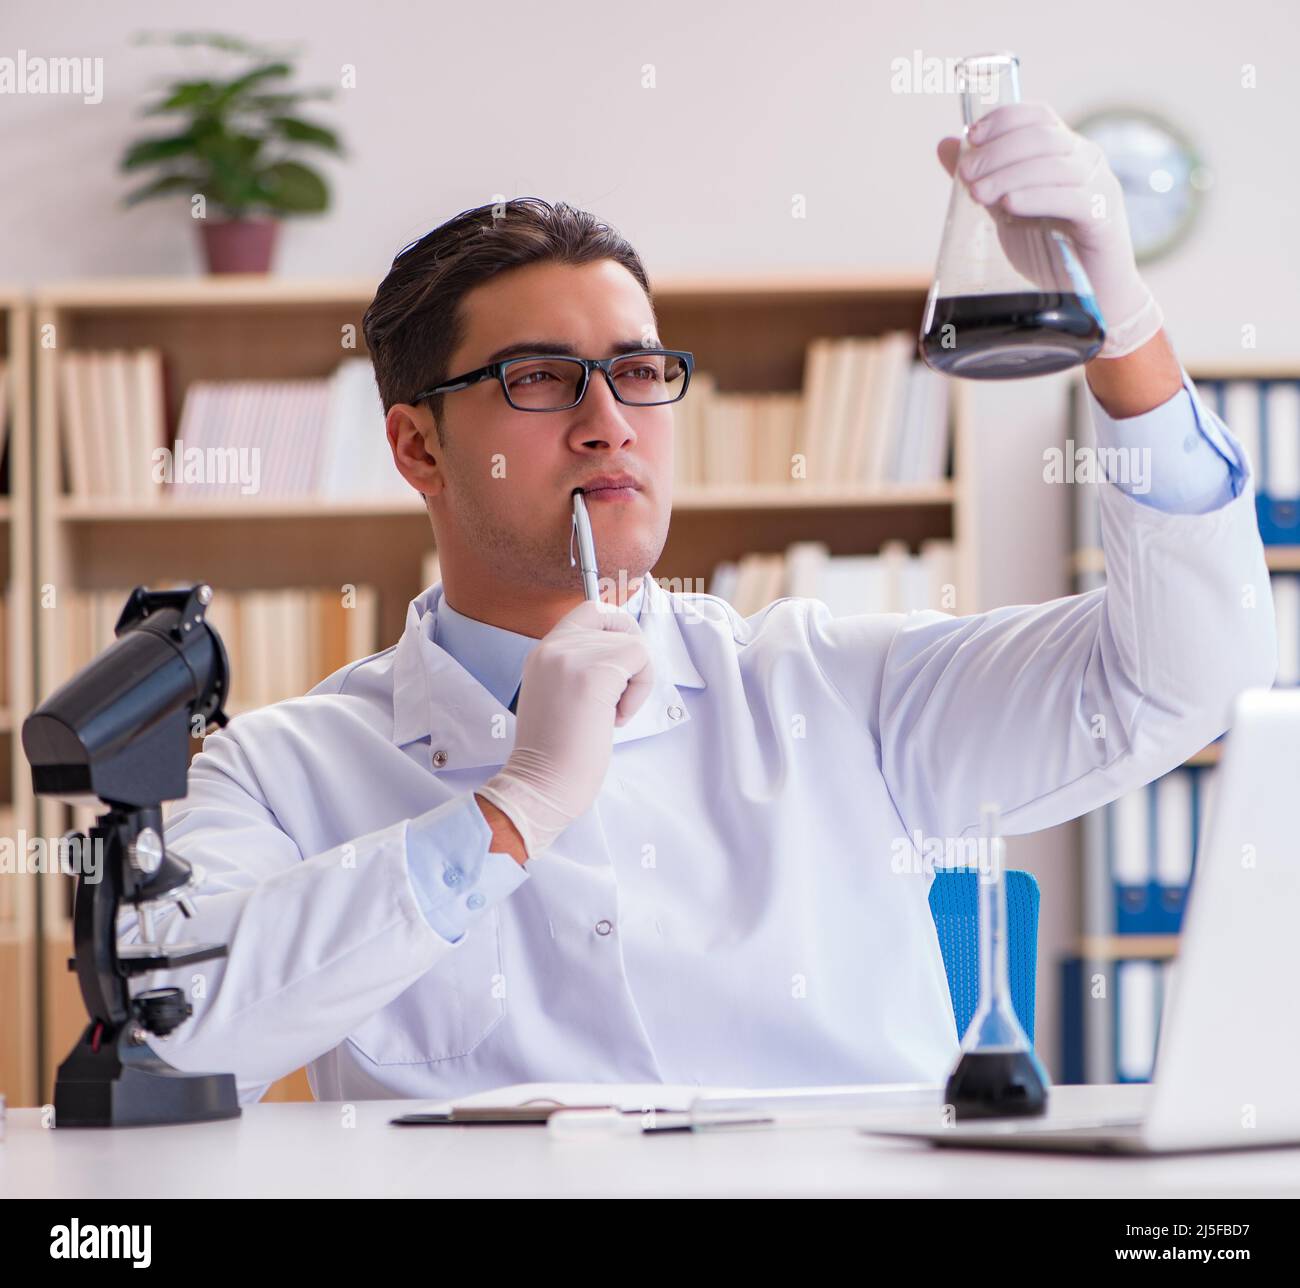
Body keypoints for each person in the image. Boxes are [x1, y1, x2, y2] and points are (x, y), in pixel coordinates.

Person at [133, 104, 1275, 1103]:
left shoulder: (842, 689)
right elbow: (167, 1037)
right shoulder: (281, 771)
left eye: (638, 371)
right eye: (537, 379)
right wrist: (511, 812)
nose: (608, 421)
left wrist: (1118, 325)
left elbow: (1186, 678)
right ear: (417, 446)